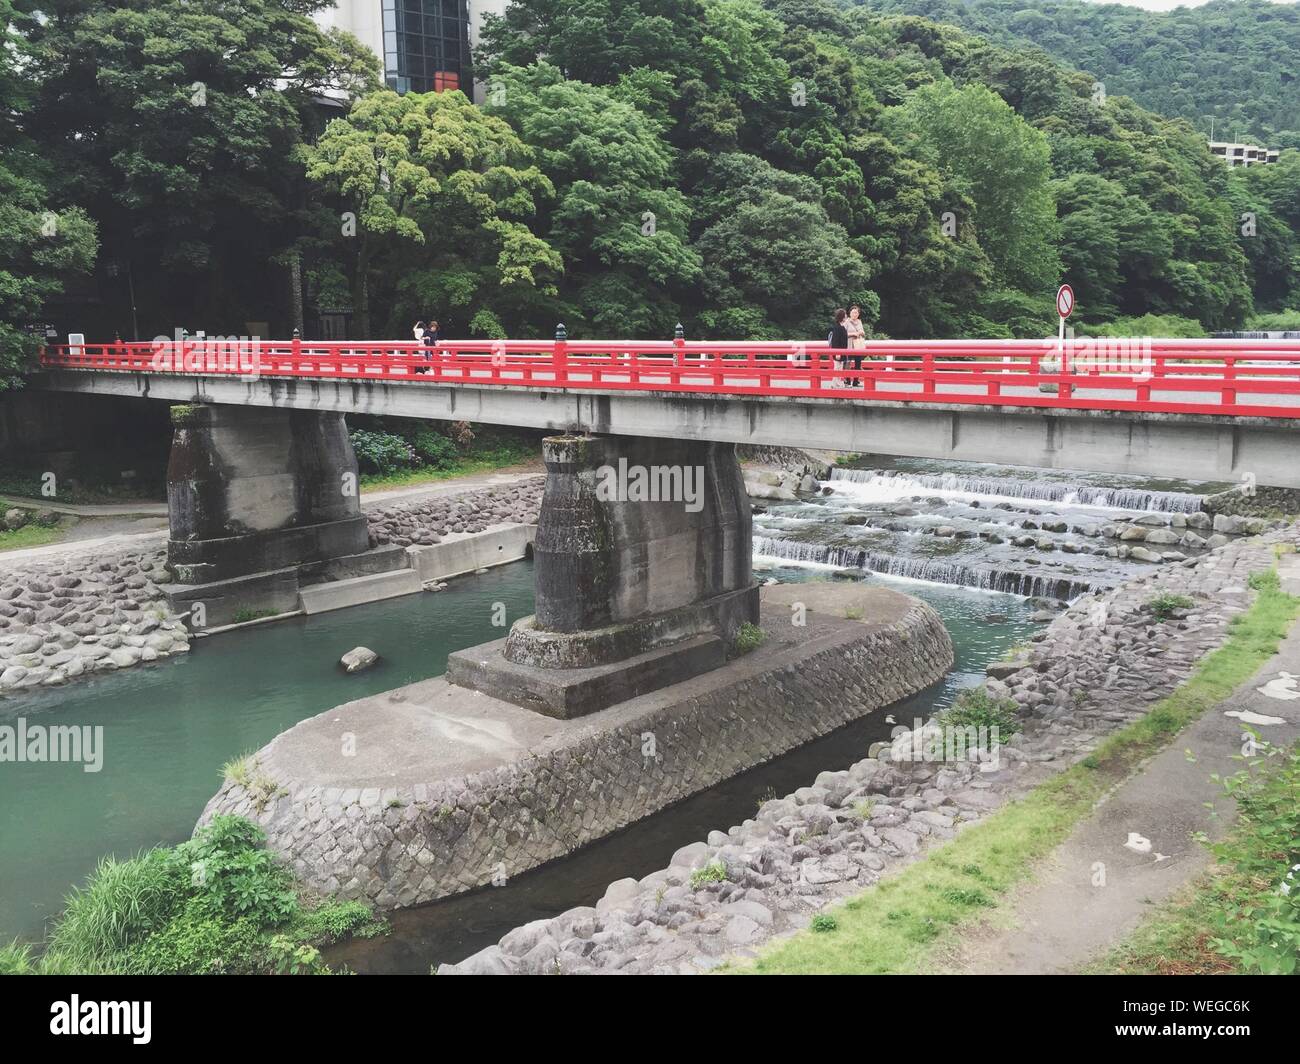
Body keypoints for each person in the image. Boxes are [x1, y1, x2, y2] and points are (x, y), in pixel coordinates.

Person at [845, 304, 866, 386]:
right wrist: (853, 334)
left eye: (856, 313)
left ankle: (856, 381)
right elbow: (843, 334)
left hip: (857, 345)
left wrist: (861, 333)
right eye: (853, 312)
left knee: (858, 363)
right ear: (850, 313)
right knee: (848, 363)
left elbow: (863, 332)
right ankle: (847, 380)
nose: (855, 314)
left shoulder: (859, 322)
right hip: (849, 345)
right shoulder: (846, 322)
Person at [828, 308, 849, 385]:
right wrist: (837, 353)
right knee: (837, 367)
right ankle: (834, 383)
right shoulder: (837, 327)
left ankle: (837, 382)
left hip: (842, 350)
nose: (846, 316)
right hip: (838, 351)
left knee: (839, 367)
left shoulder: (842, 326)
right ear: (842, 317)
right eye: (845, 314)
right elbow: (835, 341)